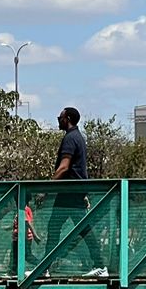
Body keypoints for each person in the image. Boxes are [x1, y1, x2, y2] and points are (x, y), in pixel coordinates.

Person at [46, 107, 106, 277]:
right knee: (80, 228)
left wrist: (46, 189)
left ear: (68, 118)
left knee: (56, 227)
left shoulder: (70, 139)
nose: (58, 119)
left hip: (69, 192)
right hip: (75, 191)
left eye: (60, 117)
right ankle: (100, 265)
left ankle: (46, 267)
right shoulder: (78, 137)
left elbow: (64, 166)